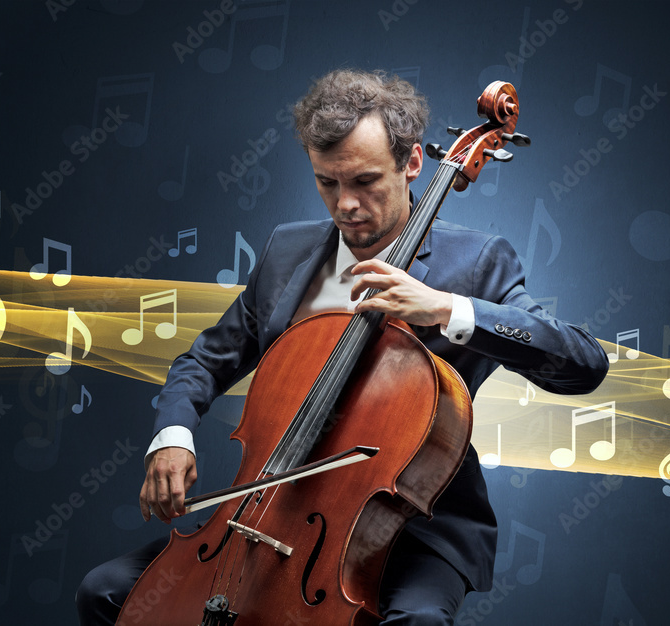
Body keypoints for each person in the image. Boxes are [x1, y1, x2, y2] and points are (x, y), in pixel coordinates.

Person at [77, 68, 608, 625]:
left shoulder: (475, 263)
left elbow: (581, 363)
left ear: (412, 165)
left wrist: (448, 309)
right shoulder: (287, 252)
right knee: (105, 593)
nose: (346, 204)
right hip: (270, 509)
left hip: (410, 521)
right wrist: (173, 435)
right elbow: (205, 361)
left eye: (364, 181)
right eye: (327, 183)